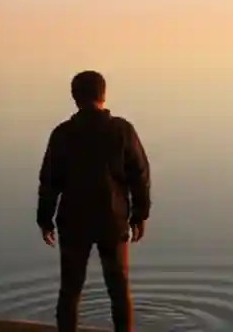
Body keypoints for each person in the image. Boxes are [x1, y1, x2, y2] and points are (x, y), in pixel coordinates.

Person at [37, 71, 151, 332]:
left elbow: (50, 181)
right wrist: (139, 214)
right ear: (104, 95)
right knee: (119, 288)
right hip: (113, 219)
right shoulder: (122, 130)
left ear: (74, 98)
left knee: (70, 289)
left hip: (73, 221)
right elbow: (140, 174)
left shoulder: (62, 134)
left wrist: (45, 219)